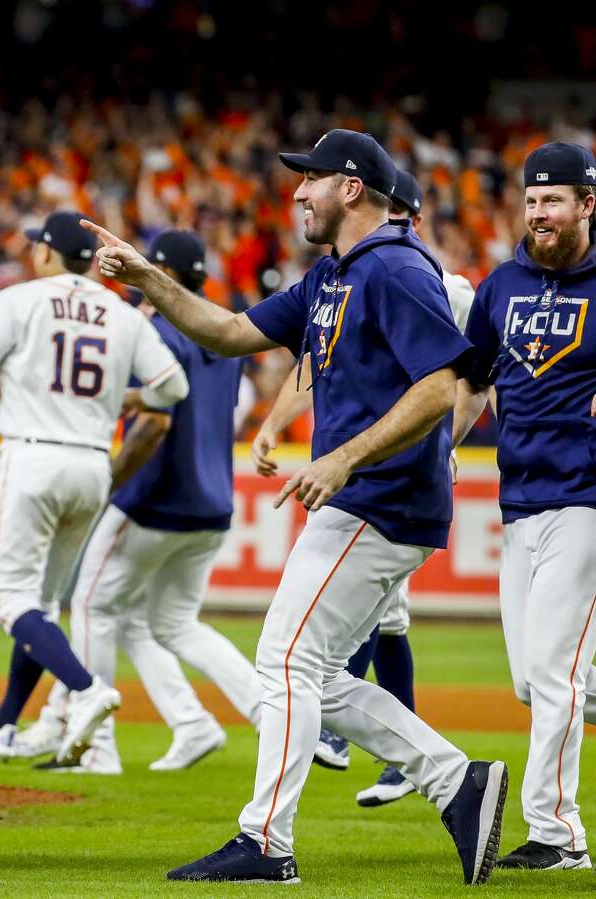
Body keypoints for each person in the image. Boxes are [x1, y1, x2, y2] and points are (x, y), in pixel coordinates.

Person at [84, 130, 506, 886]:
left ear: (351, 187)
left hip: (379, 499)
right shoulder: (331, 273)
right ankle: (457, 781)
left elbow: (442, 385)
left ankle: (266, 842)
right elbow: (229, 332)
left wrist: (342, 457)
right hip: (369, 499)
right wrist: (148, 277)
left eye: (309, 179)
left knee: (283, 661)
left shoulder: (396, 267)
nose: (298, 193)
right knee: (314, 672)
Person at [253, 169, 475, 806]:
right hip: (360, 479)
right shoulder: (344, 276)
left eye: (402, 211)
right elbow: (314, 360)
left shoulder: (430, 280)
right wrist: (273, 422)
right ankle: (442, 773)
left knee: (306, 653)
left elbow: (466, 383)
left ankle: (274, 830)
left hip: (389, 483)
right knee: (334, 646)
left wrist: (442, 446)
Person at [0, 210, 189, 767]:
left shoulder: (21, 298)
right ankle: (3, 726)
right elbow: (173, 387)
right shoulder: (120, 311)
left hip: (34, 456)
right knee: (43, 605)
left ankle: (86, 688)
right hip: (92, 464)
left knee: (11, 602)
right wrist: (128, 398)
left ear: (46, 252)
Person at [21, 229, 261, 776]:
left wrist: (108, 483)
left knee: (91, 607)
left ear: (165, 273)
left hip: (156, 498)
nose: (138, 272)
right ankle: (216, 720)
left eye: (149, 266)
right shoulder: (221, 328)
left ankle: (97, 747)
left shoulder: (156, 330)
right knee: (159, 622)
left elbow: (154, 422)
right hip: (212, 500)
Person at [454, 141, 596, 872]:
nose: (540, 212)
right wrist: (442, 446)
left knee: (552, 674)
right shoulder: (500, 285)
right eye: (532, 200)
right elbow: (473, 380)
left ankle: (558, 834)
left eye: (554, 200)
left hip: (585, 500)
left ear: (587, 205)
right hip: (518, 502)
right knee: (533, 680)